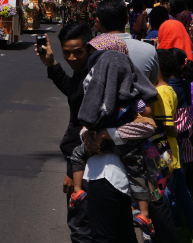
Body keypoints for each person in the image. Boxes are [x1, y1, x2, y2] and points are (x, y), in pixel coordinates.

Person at [67, 34, 159, 233]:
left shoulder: (128, 93)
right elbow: (86, 121)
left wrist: (104, 134)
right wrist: (88, 134)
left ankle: (143, 214)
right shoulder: (100, 90)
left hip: (112, 176)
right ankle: (143, 214)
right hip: (101, 168)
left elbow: (148, 124)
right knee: (137, 176)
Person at [38, 22, 94, 243]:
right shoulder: (83, 73)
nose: (72, 58)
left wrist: (72, 172)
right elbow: (74, 94)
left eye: (78, 52)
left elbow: (86, 131)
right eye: (67, 53)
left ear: (89, 48)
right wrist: (51, 64)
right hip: (83, 161)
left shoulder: (93, 77)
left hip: (84, 163)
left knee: (81, 226)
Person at [160, 48, 193, 230]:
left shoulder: (167, 88)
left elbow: (168, 124)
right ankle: (179, 223)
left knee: (168, 188)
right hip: (183, 142)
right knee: (179, 186)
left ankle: (170, 225)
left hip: (171, 146)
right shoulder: (185, 84)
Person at [95, 0, 160, 85]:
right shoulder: (149, 50)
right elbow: (153, 81)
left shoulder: (90, 49)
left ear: (98, 21)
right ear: (127, 19)